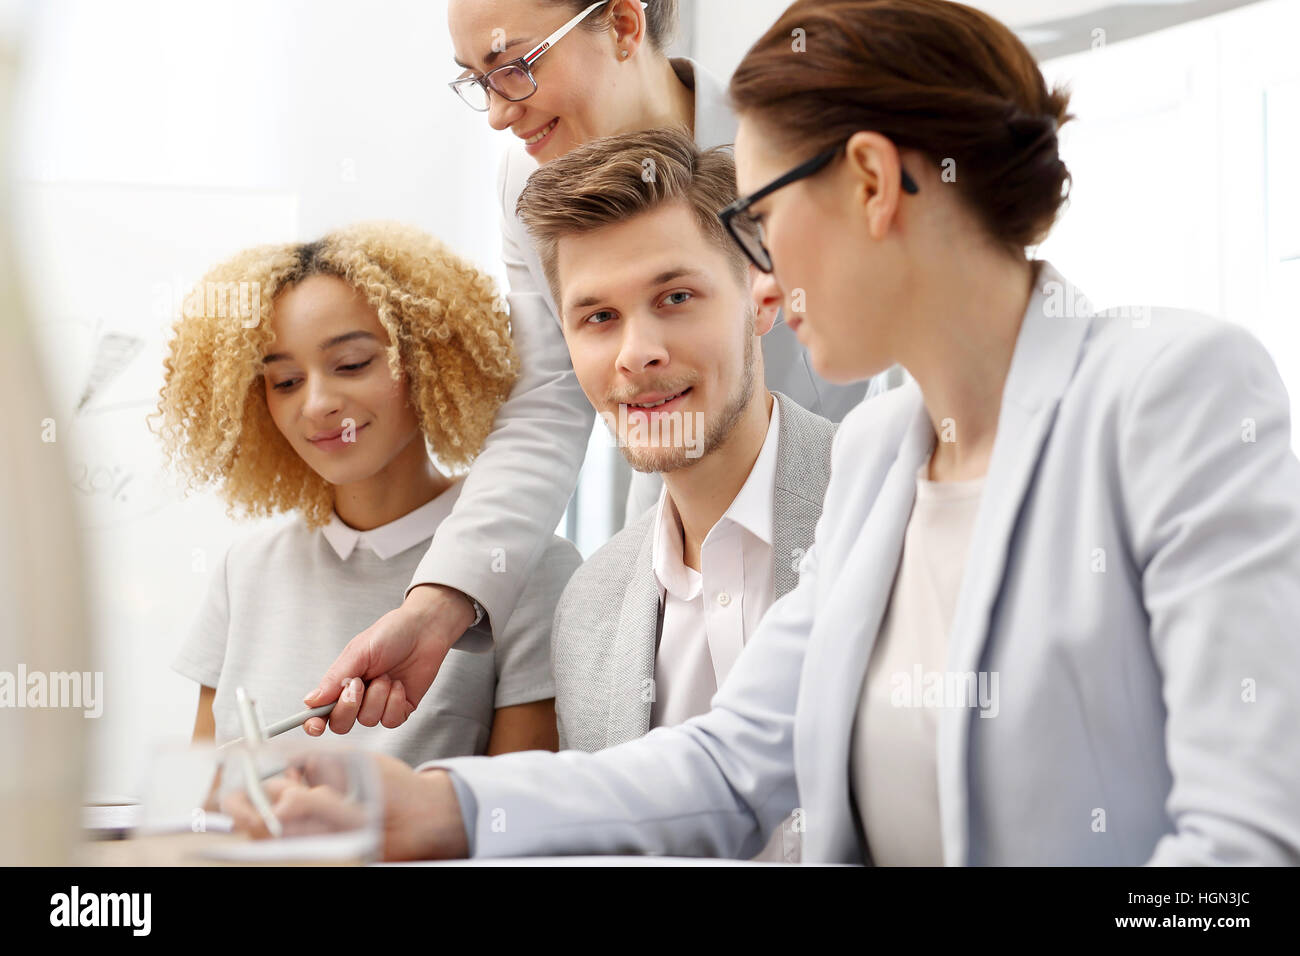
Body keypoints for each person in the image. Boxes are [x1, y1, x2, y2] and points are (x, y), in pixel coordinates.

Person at [231, 0, 1300, 865]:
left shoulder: (1169, 390)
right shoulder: (886, 451)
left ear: (873, 183)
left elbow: (1245, 846)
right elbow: (732, 762)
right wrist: (435, 802)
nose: (765, 274)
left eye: (759, 217)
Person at [302, 0, 887, 740]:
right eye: (476, 80)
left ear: (621, 24)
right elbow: (546, 401)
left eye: (514, 66)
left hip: (831, 510)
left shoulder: (782, 152)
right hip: (680, 537)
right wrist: (437, 606)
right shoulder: (525, 182)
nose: (495, 112)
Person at [518, 129, 838, 862]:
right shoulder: (590, 605)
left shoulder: (886, 509)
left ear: (761, 299)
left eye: (676, 297)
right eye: (598, 318)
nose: (636, 354)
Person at [156, 222, 578, 765]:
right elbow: (202, 799)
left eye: (352, 365)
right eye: (285, 381)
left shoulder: (530, 567)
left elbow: (517, 819)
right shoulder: (247, 571)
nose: (317, 405)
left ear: (432, 359)